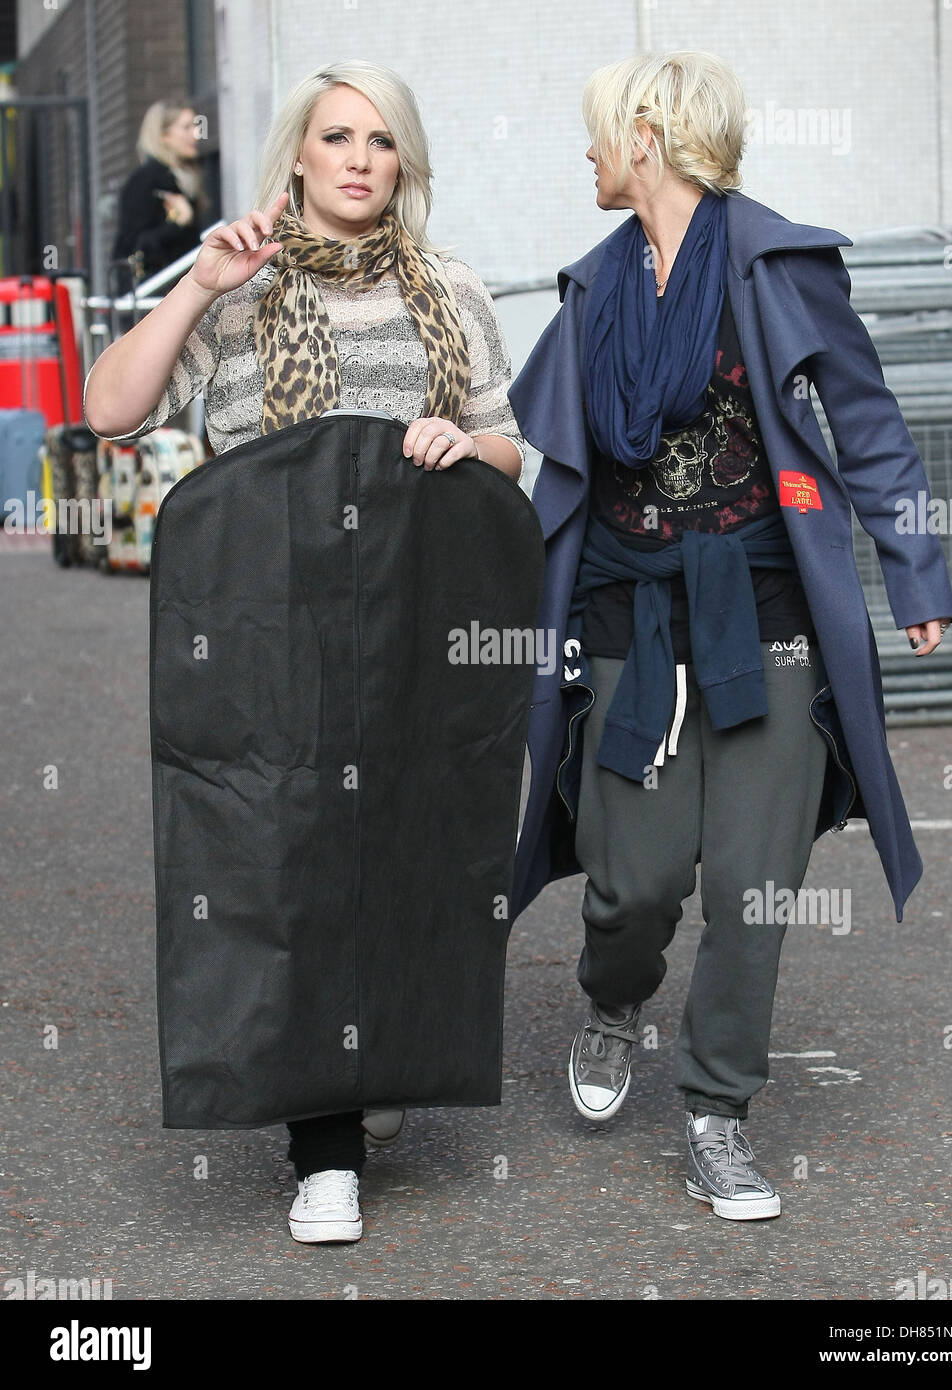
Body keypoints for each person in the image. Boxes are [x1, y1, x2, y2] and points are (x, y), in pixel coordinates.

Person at [508, 51, 952, 1222]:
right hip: (625, 611)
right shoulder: (594, 288)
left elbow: (864, 419)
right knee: (635, 880)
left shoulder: (771, 262)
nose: (590, 154)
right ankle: (613, 1000)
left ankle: (715, 1112)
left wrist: (914, 569)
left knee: (755, 884)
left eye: (601, 131)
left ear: (646, 133)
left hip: (762, 611)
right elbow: (546, 451)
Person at [83, 60, 525, 1244]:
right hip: (271, 630)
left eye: (380, 140)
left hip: (413, 623)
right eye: (336, 136)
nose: (358, 158)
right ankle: (321, 1149)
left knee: (407, 845)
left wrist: (457, 442)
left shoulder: (452, 292)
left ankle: (368, 1053)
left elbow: (509, 455)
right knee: (295, 855)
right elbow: (107, 407)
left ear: (403, 161)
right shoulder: (236, 291)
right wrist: (197, 288)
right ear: (298, 155)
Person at [111, 100, 210, 288]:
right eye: (186, 127)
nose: (196, 134)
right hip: (151, 293)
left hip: (174, 289)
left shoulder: (185, 179)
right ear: (163, 135)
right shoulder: (148, 181)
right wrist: (179, 222)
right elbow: (139, 244)